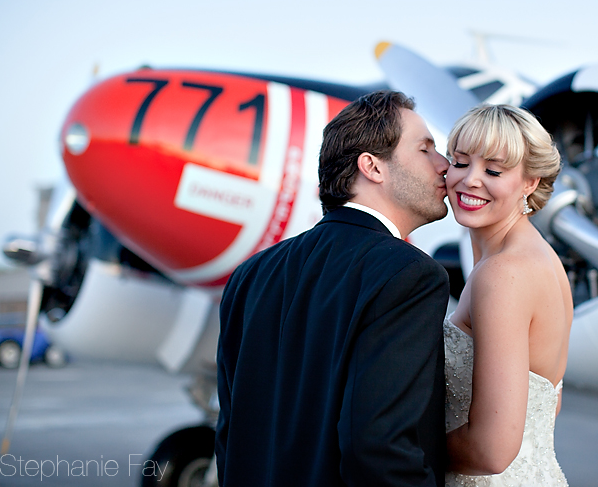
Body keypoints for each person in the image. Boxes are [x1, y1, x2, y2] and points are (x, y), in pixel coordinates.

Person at [215, 90, 451, 487]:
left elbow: (230, 435)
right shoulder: (411, 275)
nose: (444, 165)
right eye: (425, 149)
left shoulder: (250, 275)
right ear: (373, 167)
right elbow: (378, 444)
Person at [443, 104, 573, 486]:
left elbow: (491, 450)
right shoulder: (538, 260)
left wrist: (392, 442)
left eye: (493, 171)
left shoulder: (505, 274)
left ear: (531, 182)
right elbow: (547, 405)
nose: (469, 180)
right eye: (460, 162)